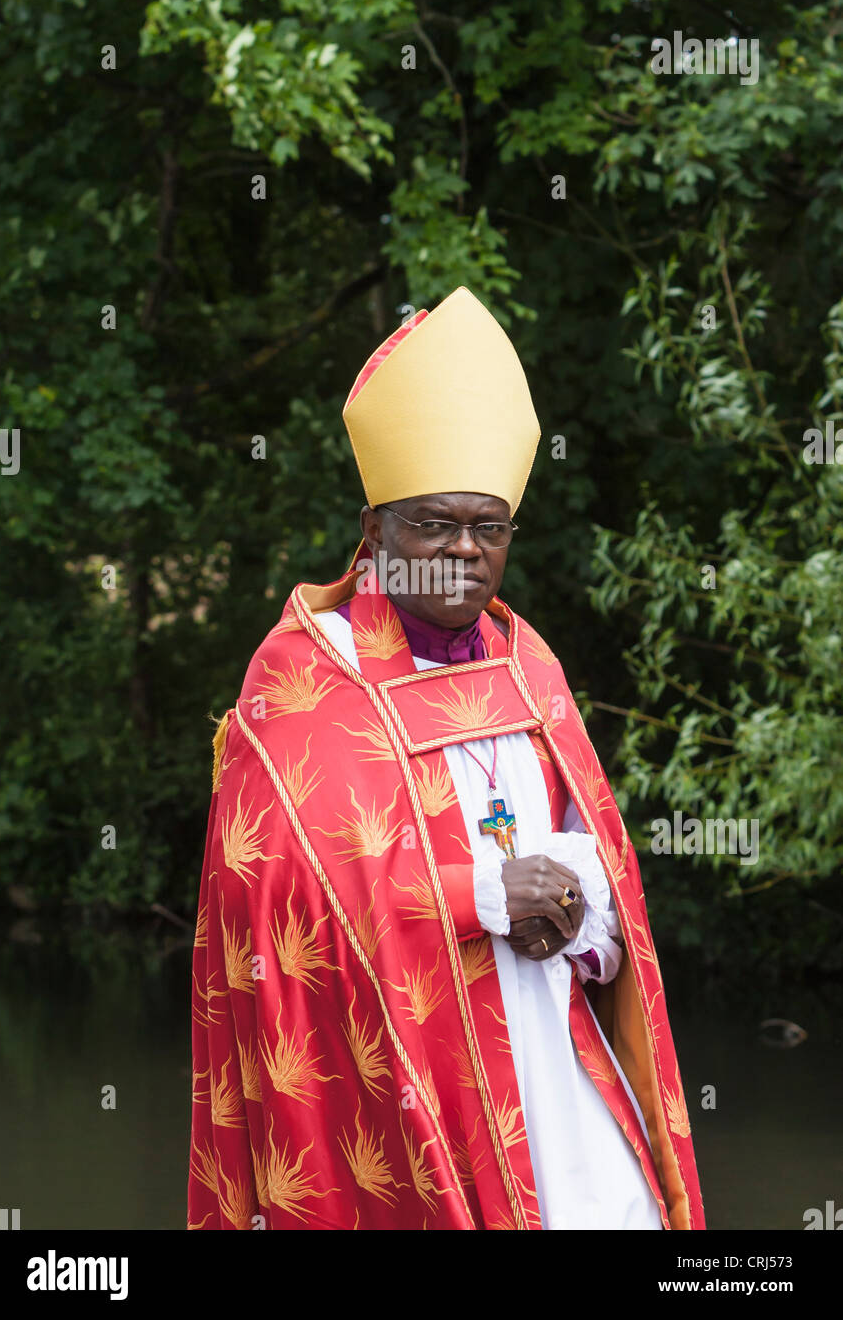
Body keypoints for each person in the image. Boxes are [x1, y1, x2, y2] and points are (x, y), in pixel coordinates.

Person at [188, 286, 705, 1230]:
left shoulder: (527, 661)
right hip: (398, 1090)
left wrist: (581, 910)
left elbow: (601, 861)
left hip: (557, 1057)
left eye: (489, 528)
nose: (464, 553)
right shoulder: (307, 672)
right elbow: (265, 896)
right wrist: (478, 897)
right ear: (376, 526)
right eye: (434, 524)